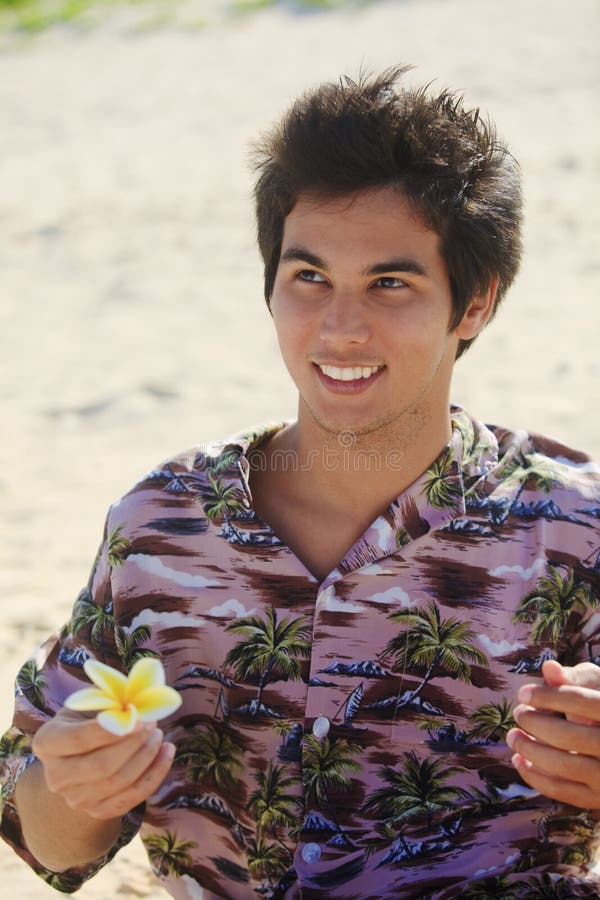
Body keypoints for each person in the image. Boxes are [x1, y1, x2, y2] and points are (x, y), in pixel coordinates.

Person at [1, 66, 600, 900]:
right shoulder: (163, 521)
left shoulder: (574, 526)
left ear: (475, 303)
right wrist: (79, 789)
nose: (340, 327)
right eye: (308, 277)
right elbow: (44, 839)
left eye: (390, 283)